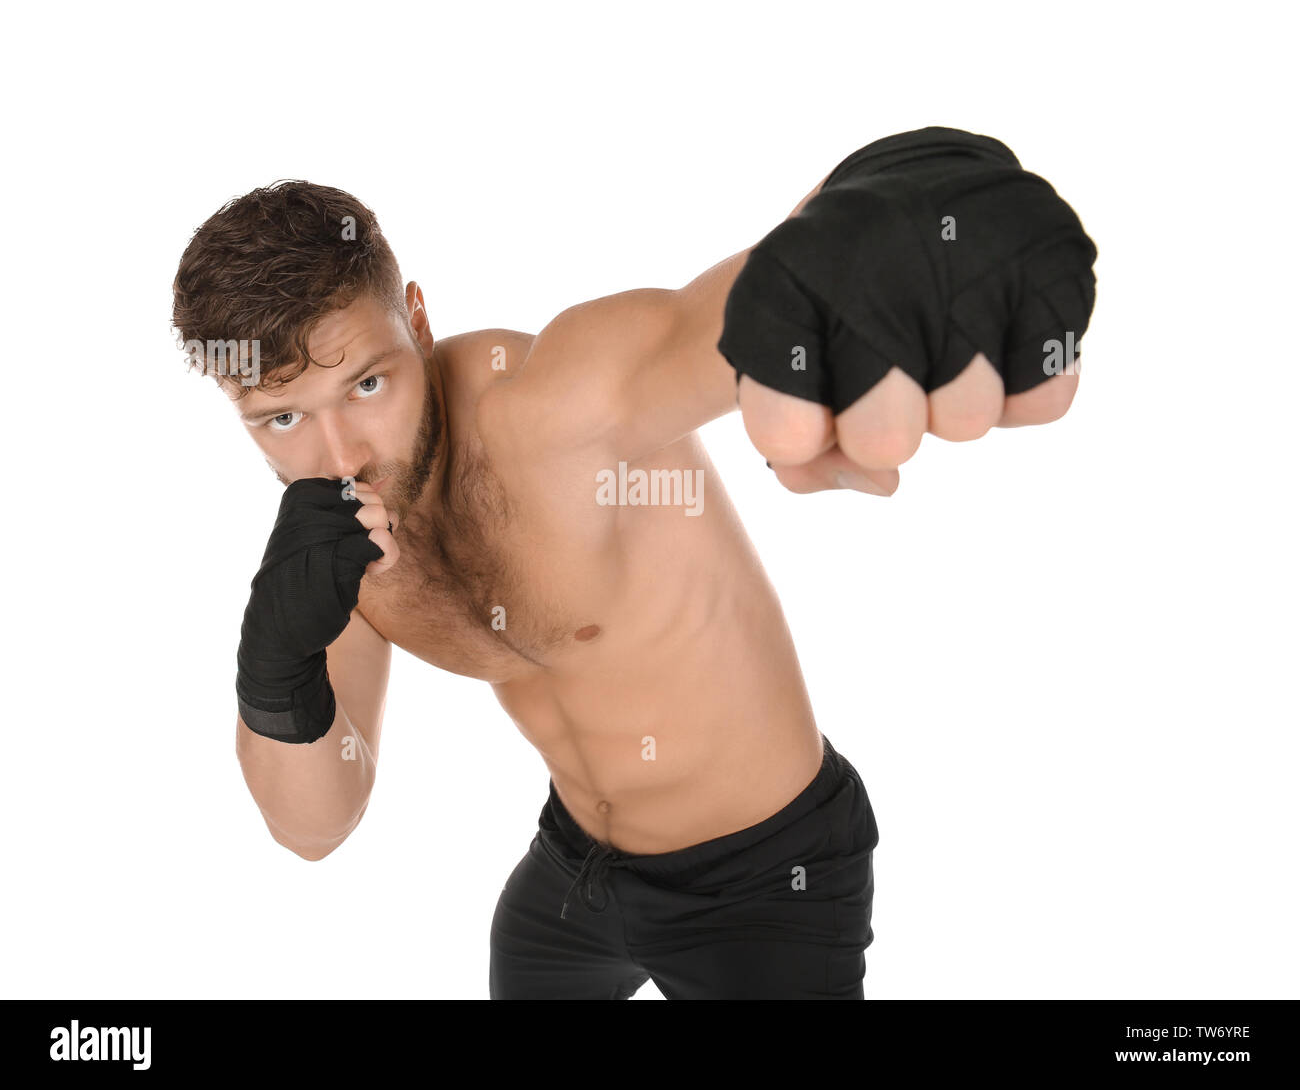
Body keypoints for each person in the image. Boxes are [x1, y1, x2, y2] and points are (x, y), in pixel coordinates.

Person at [172, 126, 1096, 999]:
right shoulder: (333, 549)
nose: (340, 456)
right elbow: (316, 824)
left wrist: (874, 238)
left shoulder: (545, 407)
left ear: (414, 317)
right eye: (282, 419)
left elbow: (705, 329)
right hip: (577, 872)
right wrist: (274, 665)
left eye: (366, 384)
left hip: (769, 876)